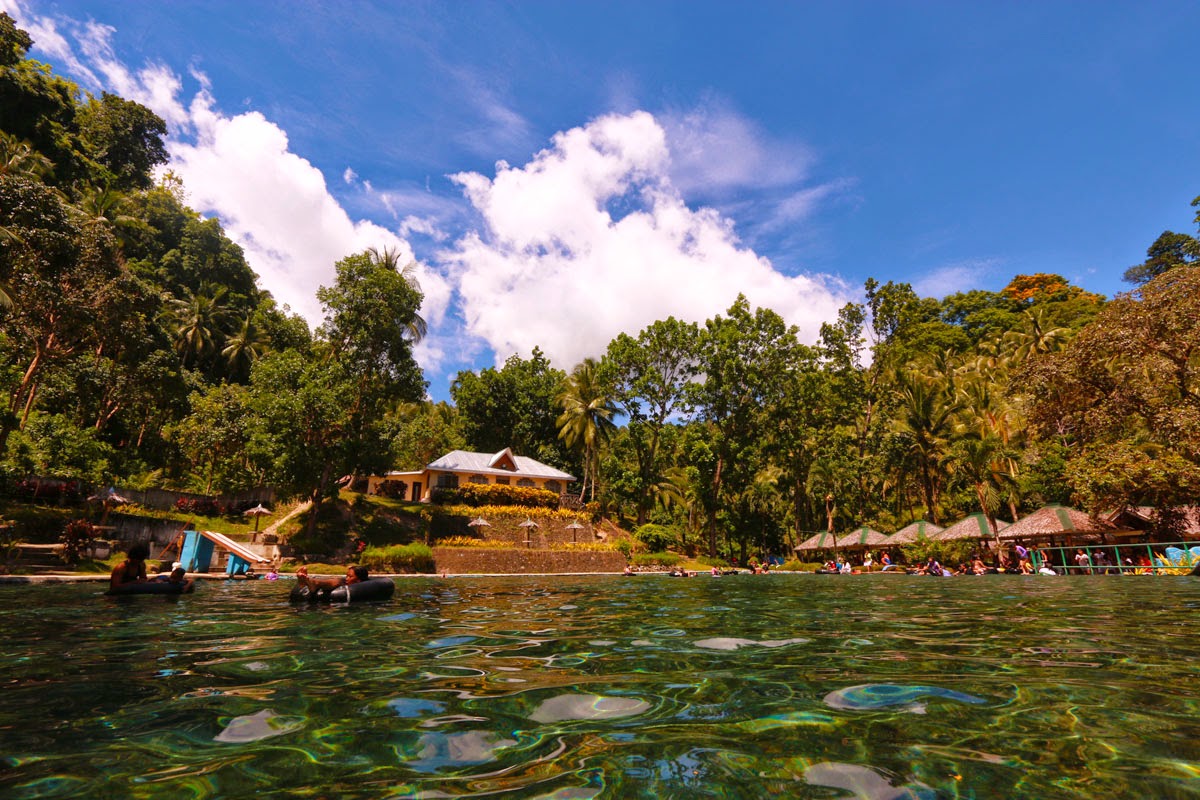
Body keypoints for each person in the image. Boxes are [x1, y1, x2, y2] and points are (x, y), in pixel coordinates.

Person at [296, 564, 368, 595]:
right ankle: (310, 582)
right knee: (337, 580)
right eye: (346, 576)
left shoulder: (367, 586)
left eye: (350, 576)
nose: (347, 578)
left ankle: (313, 583)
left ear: (358, 580)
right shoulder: (344, 581)